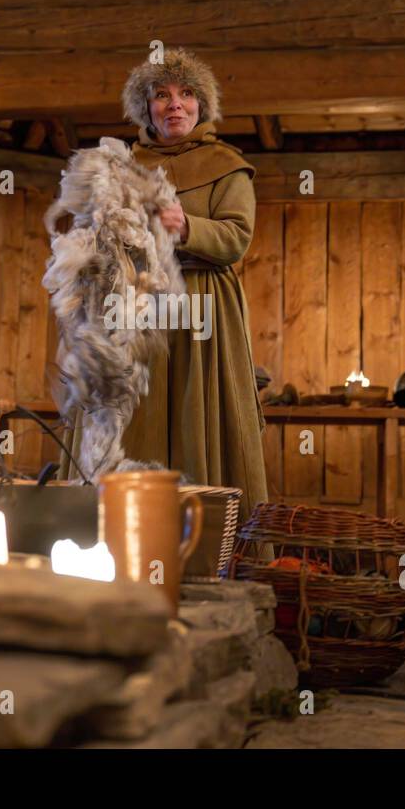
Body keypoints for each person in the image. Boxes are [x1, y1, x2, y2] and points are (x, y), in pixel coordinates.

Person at [62, 48, 269, 508]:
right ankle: (121, 525)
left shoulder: (226, 166)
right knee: (132, 409)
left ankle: (205, 534)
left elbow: (236, 237)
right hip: (130, 303)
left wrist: (186, 226)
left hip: (199, 303)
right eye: (161, 95)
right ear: (145, 108)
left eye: (186, 93)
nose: (175, 104)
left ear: (201, 106)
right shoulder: (118, 164)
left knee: (196, 414)